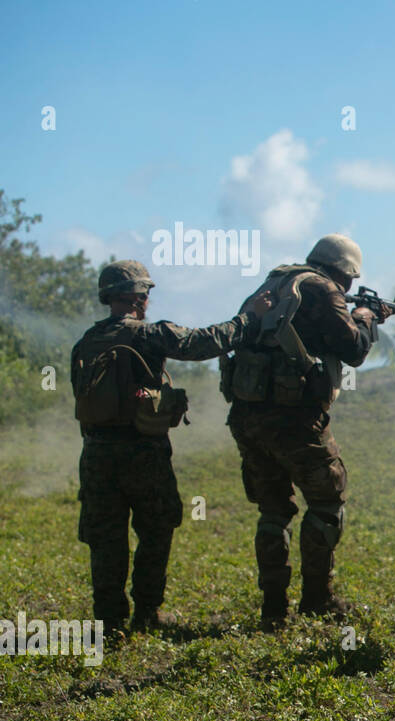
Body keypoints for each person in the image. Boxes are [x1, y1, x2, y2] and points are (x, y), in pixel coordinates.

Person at [72, 260, 268, 634]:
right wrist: (249, 319)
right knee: (156, 529)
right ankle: (147, 612)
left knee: (105, 536)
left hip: (95, 453)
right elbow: (203, 342)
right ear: (137, 297)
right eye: (146, 293)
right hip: (144, 452)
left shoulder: (85, 343)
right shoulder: (150, 334)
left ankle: (109, 621)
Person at [222, 234, 393, 631]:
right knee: (327, 502)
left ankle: (274, 608)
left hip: (248, 417)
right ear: (345, 273)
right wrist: (367, 315)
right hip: (296, 420)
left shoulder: (276, 281)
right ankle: (317, 599)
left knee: (273, 511)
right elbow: (353, 349)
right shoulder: (324, 289)